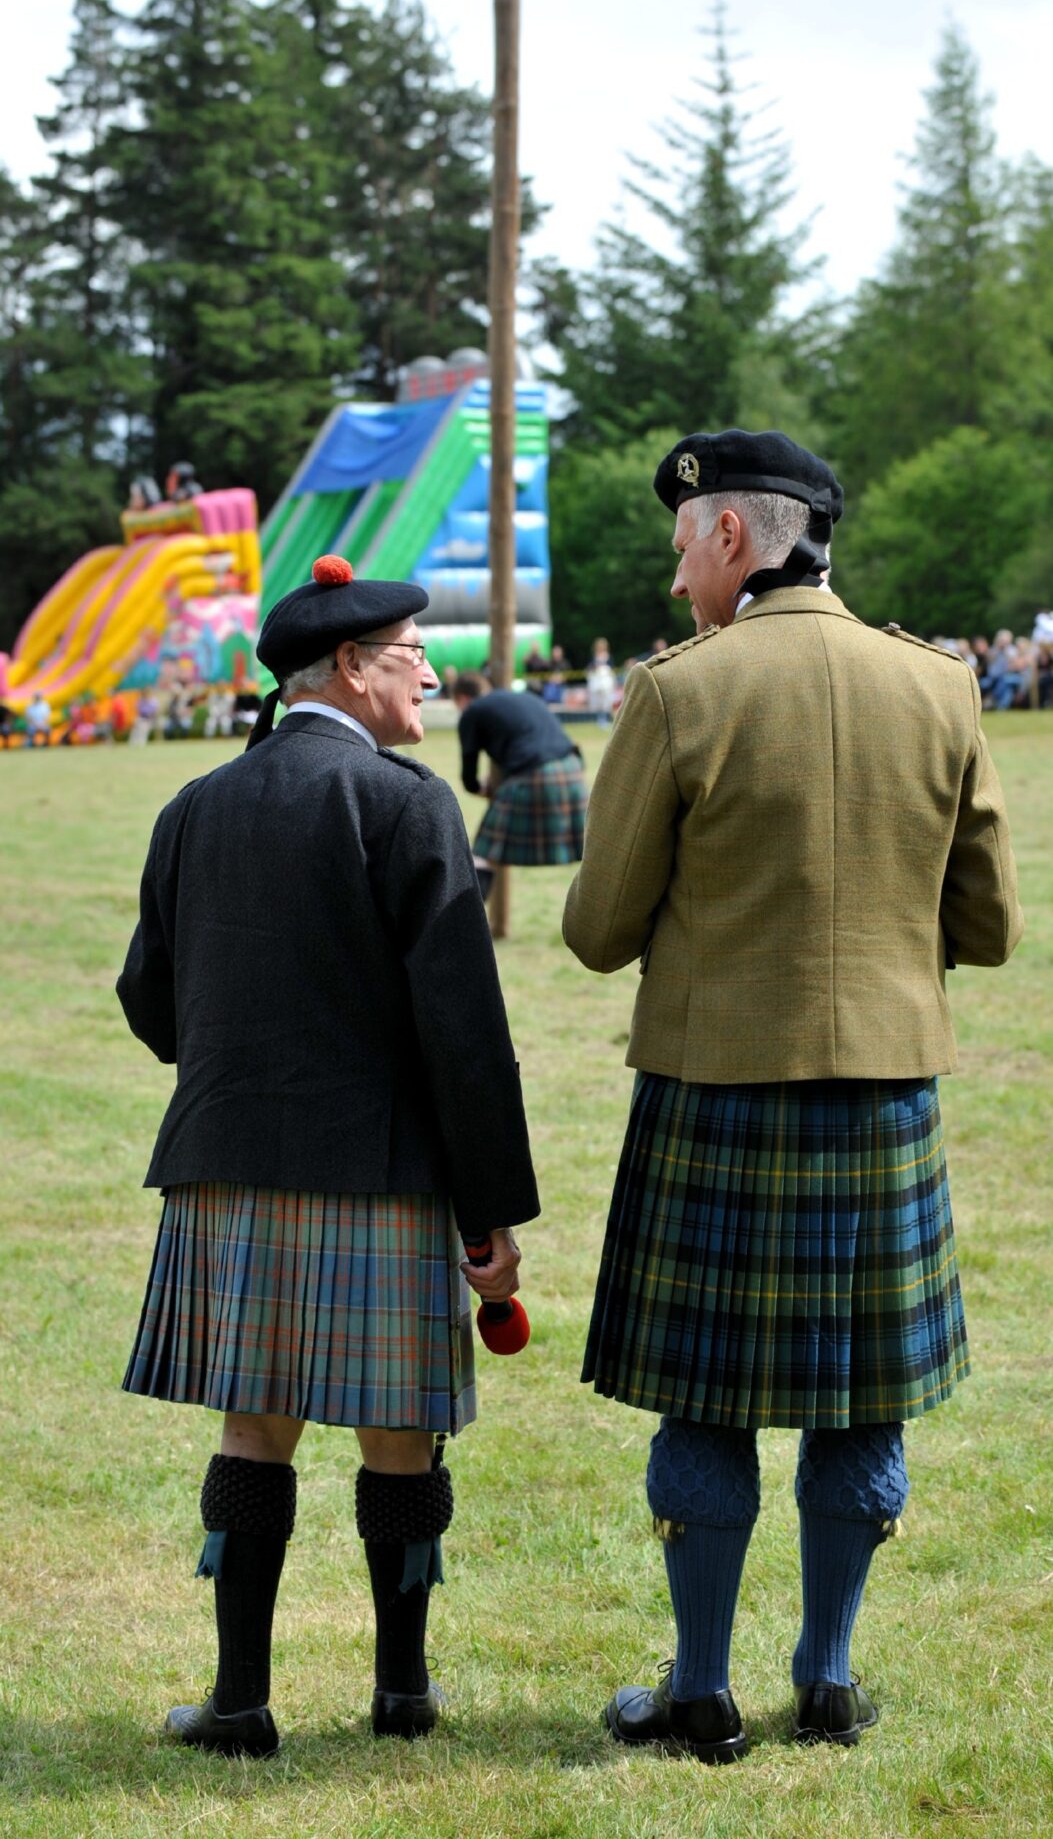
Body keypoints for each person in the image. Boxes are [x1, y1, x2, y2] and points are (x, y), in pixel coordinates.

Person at [563, 428, 1022, 1762]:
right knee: (859, 1399)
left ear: (726, 537)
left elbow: (597, 930)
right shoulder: (938, 688)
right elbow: (987, 928)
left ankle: (700, 1691)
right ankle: (826, 1678)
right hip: (881, 1101)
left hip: (716, 1093)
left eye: (676, 551)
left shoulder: (676, 693)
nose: (670, 584)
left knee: (702, 1403)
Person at [118, 554, 539, 1756]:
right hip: (382, 1172)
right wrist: (490, 1212)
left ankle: (240, 1702)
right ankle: (402, 1694)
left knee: (254, 1431)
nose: (430, 671)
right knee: (400, 1436)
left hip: (227, 1163)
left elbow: (150, 997)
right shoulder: (408, 803)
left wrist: (234, 1066)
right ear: (351, 668)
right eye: (413, 652)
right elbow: (464, 1030)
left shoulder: (192, 804)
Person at [452, 670, 588, 895]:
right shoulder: (523, 698)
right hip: (572, 770)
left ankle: (465, 924)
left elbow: (469, 773)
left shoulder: (472, 712)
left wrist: (479, 789)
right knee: (591, 852)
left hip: (535, 773)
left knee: (483, 855)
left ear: (462, 698)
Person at [586, 637, 616, 726]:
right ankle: (599, 719)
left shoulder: (609, 657)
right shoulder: (593, 657)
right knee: (598, 701)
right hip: (596, 682)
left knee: (606, 701)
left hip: (606, 682)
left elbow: (612, 669)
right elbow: (589, 668)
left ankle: (606, 719)